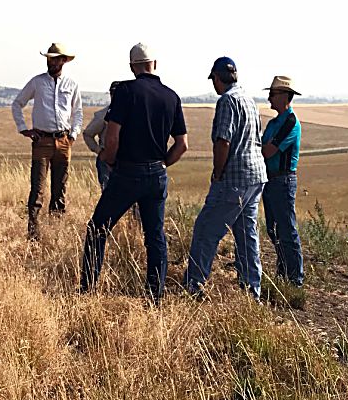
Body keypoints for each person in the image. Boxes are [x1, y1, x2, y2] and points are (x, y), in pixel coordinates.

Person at [80, 43, 186, 301]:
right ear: (155, 64)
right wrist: (162, 165)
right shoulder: (171, 96)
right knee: (155, 237)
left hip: (127, 172)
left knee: (97, 229)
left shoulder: (126, 91)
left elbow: (113, 137)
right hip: (156, 175)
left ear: (132, 67)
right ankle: (154, 296)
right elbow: (182, 145)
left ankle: (87, 290)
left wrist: (110, 161)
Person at [184, 56, 268, 300]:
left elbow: (223, 141)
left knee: (205, 229)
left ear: (218, 78)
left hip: (234, 177)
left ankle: (194, 286)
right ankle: (252, 290)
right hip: (256, 176)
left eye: (214, 80)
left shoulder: (227, 101)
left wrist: (218, 173)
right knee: (246, 234)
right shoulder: (249, 101)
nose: (214, 85)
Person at [10, 42, 84, 237]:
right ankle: (33, 234)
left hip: (63, 140)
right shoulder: (37, 82)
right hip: (41, 140)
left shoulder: (72, 84)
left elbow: (77, 112)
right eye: (49, 58)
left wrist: (73, 135)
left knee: (60, 189)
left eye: (55, 58)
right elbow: (17, 103)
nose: (51, 62)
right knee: (38, 189)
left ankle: (56, 232)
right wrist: (23, 129)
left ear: (63, 61)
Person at [260, 75, 305, 287]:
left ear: (285, 96)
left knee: (287, 230)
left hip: (283, 180)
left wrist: (261, 149)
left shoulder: (290, 122)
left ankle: (295, 279)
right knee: (273, 229)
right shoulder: (274, 122)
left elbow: (268, 151)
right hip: (271, 180)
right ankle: (284, 271)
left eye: (273, 94)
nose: (269, 98)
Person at [81, 79, 130, 188]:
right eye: (113, 93)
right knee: (109, 194)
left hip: (127, 160)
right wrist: (99, 151)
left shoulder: (131, 114)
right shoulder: (103, 115)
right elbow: (88, 134)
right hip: (107, 160)